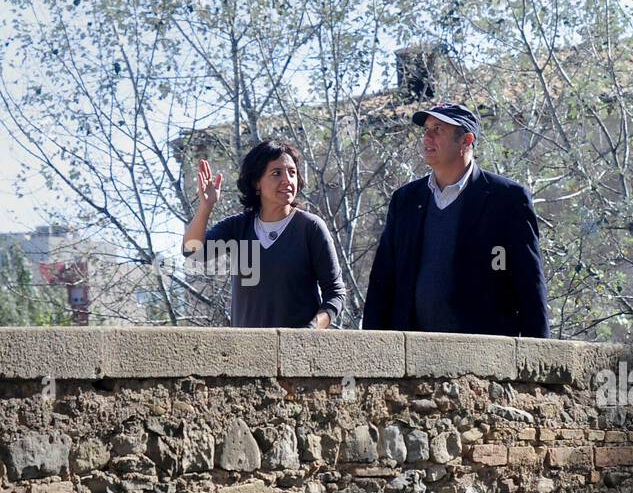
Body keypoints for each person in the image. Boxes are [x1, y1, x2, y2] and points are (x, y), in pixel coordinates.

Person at [362, 103, 549, 337]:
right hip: (411, 352)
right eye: (426, 129)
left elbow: (529, 282)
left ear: (466, 140)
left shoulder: (507, 199)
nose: (427, 137)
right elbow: (382, 280)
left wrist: (537, 360)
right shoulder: (405, 200)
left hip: (484, 354)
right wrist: (370, 346)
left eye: (438, 129)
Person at [182, 139, 345, 328]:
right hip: (246, 352)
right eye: (276, 173)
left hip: (296, 352)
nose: (287, 180)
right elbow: (192, 252)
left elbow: (335, 294)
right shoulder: (238, 227)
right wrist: (206, 206)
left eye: (292, 172)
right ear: (256, 183)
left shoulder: (311, 228)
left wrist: (309, 331)